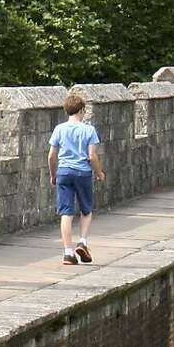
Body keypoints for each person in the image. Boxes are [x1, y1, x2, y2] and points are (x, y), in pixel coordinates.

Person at [48, 93, 107, 266]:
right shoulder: (89, 130)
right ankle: (82, 242)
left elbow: (51, 155)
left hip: (64, 172)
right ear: (81, 110)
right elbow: (92, 156)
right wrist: (99, 173)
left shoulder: (59, 129)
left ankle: (68, 253)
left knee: (66, 213)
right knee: (86, 210)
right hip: (82, 173)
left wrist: (53, 174)